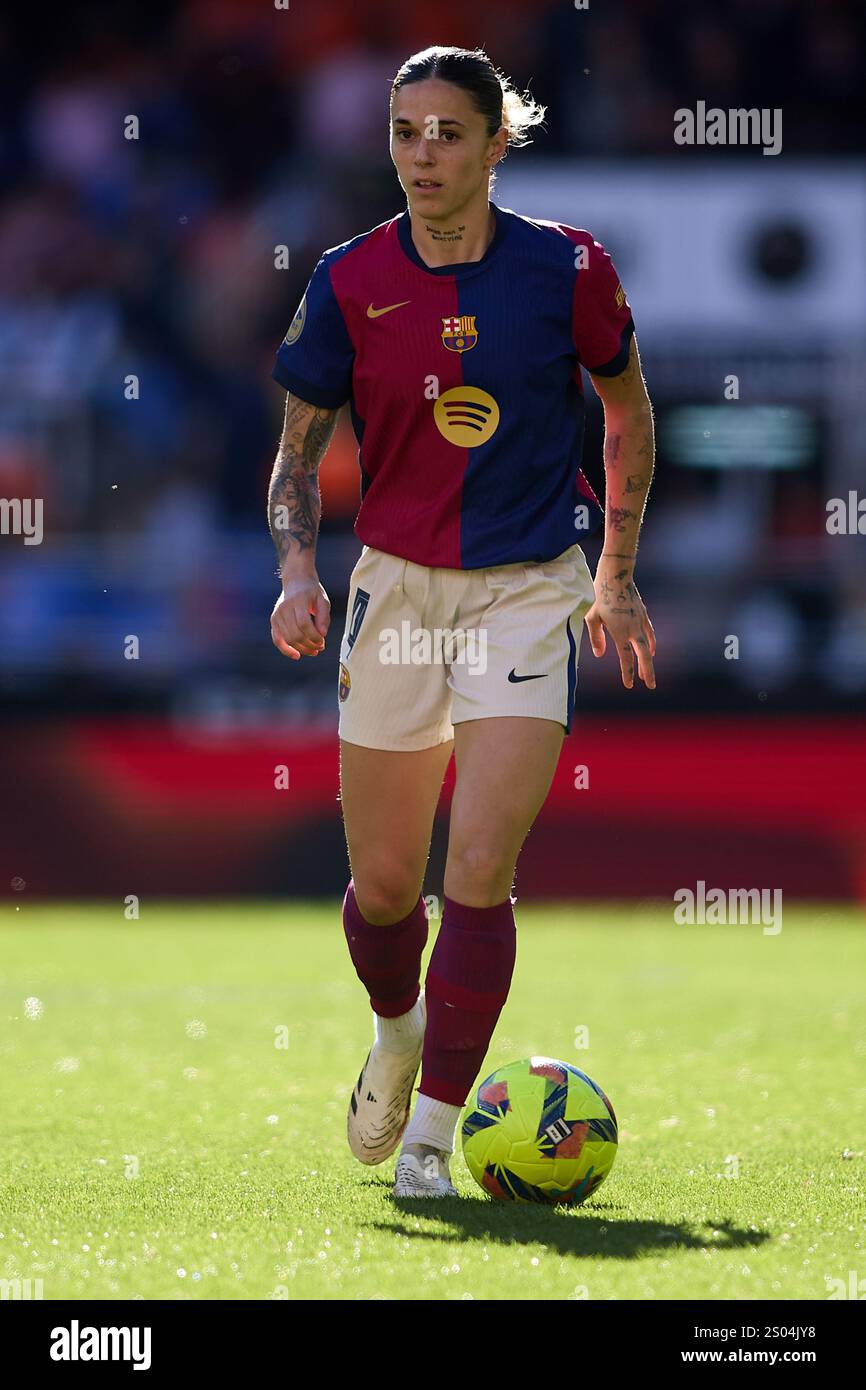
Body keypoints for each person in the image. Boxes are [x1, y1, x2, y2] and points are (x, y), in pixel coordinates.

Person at [268, 45, 656, 1198]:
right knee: (387, 888)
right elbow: (294, 455)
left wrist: (615, 576)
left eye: (445, 131)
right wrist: (297, 566)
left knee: (478, 869)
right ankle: (398, 1030)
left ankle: (432, 1141)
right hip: (397, 587)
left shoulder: (567, 269)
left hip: (529, 587)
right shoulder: (346, 279)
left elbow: (627, 413)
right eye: (403, 131)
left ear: (496, 144)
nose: (420, 153)